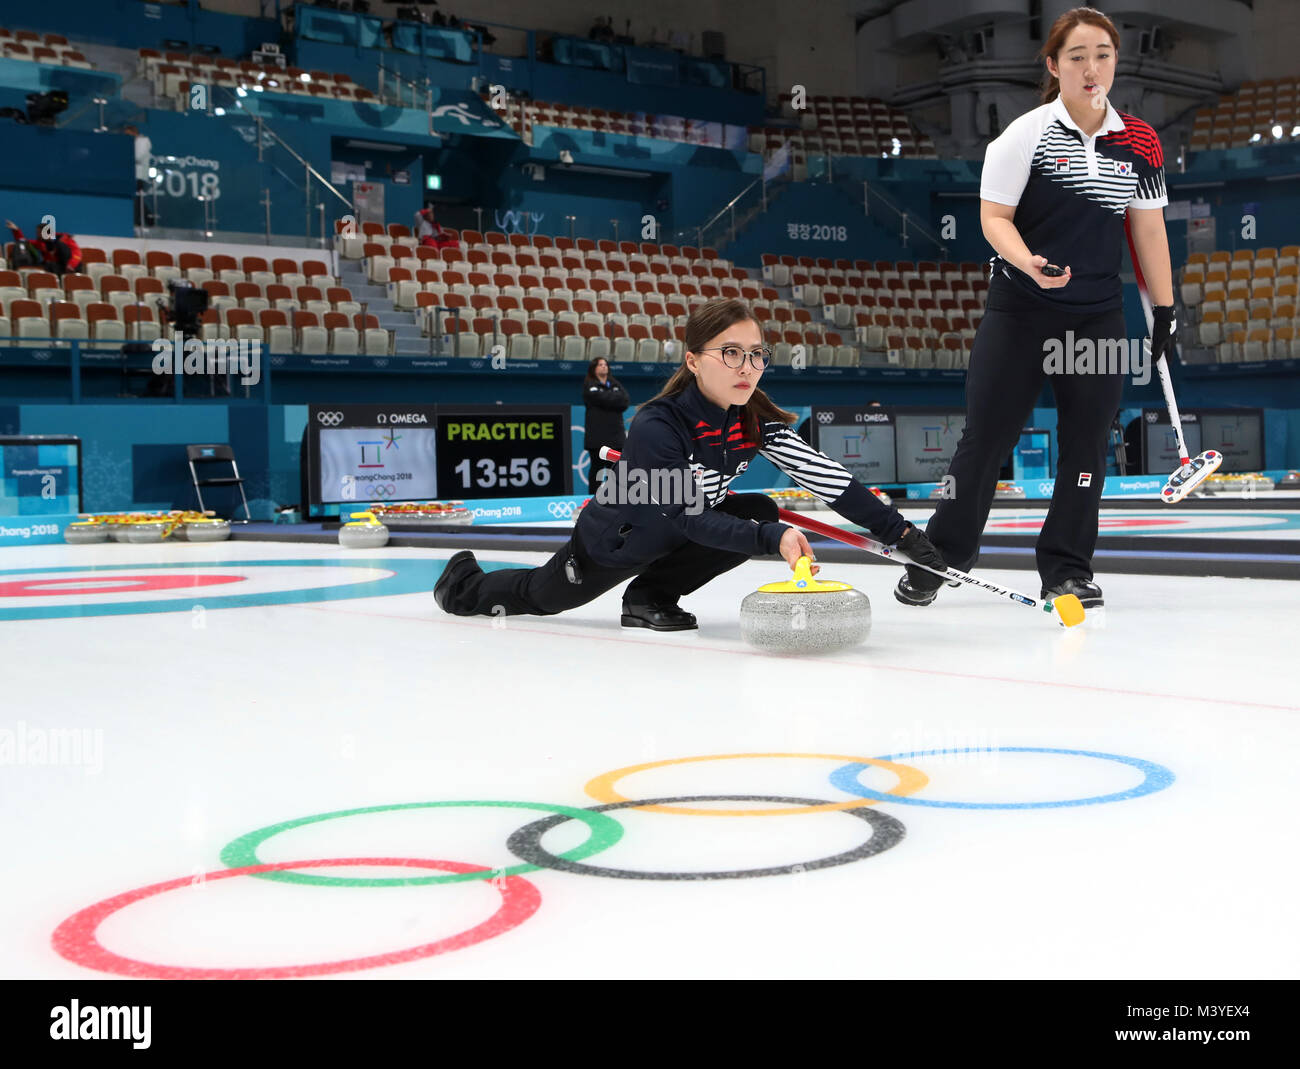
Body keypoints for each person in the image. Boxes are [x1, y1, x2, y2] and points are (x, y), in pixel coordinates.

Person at [435, 298, 945, 631]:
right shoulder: (660, 425)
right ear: (694, 360)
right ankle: (460, 586)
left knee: (761, 507)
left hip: (680, 530)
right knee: (544, 598)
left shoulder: (753, 419)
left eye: (756, 354)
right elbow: (688, 516)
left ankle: (650, 596)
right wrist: (773, 539)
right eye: (730, 353)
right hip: (617, 540)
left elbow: (828, 479)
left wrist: (904, 536)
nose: (747, 367)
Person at [895, 5, 1171, 612]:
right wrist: (1030, 263)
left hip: (1097, 313)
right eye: (1077, 57)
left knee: (1086, 444)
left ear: (1115, 62)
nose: (1091, 67)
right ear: (1054, 66)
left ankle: (1068, 568)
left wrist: (1166, 311)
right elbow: (994, 220)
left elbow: (1148, 231)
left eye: (1102, 54)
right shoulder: (1024, 136)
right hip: (1020, 309)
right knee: (986, 439)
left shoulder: (1141, 141)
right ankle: (941, 555)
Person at [582, 356, 629, 495]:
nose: (604, 366)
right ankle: (593, 499)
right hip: (597, 437)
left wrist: (607, 398)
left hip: (615, 436)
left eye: (605, 364)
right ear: (594, 368)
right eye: (600, 364)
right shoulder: (589, 385)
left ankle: (614, 499)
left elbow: (624, 401)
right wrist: (613, 400)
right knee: (597, 468)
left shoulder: (615, 384)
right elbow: (600, 398)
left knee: (616, 469)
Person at [5, 220, 81, 277]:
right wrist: (16, 230)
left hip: (69, 267)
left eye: (39, 233)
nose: (37, 236)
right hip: (52, 268)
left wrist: (70, 265)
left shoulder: (65, 240)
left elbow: (77, 254)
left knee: (61, 246)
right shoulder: (41, 243)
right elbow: (24, 241)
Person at [123, 124, 154, 228]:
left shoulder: (143, 141)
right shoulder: (132, 143)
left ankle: (139, 220)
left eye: (128, 134)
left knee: (138, 198)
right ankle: (148, 219)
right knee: (138, 198)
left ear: (134, 132)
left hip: (140, 175)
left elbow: (138, 156)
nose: (127, 137)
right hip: (131, 174)